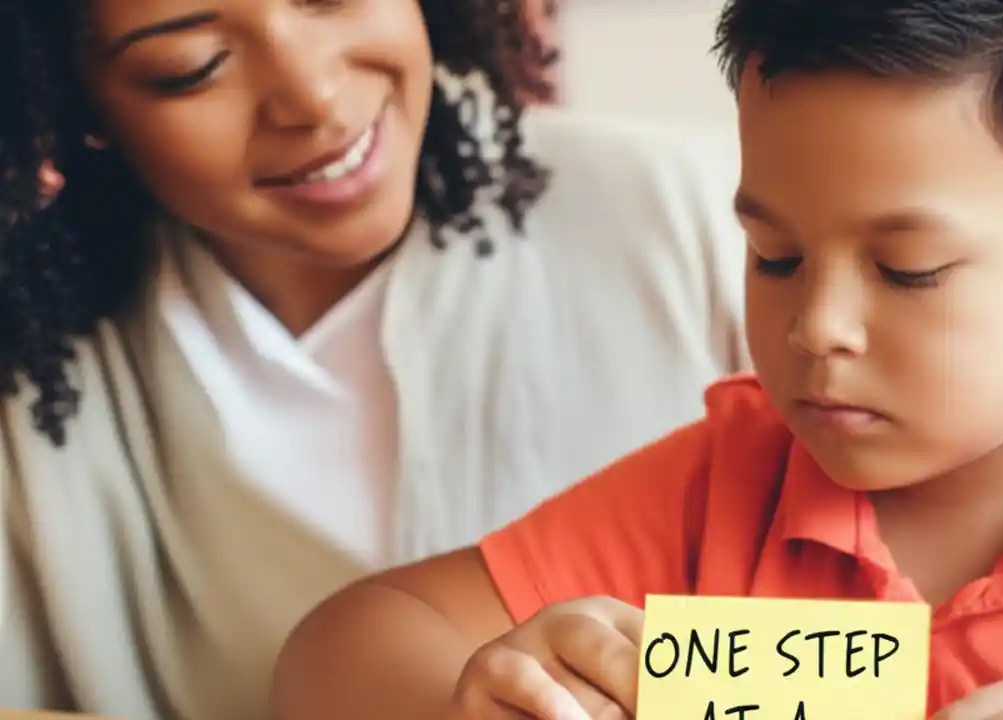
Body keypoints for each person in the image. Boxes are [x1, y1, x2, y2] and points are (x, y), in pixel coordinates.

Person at [273, 0, 1003, 718]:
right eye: (776, 257)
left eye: (906, 268)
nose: (815, 328)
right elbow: (343, 652)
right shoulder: (724, 489)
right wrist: (490, 692)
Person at [0, 0, 746, 718]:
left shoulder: (723, 224)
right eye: (193, 67)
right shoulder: (34, 384)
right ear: (77, 100)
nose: (314, 99)